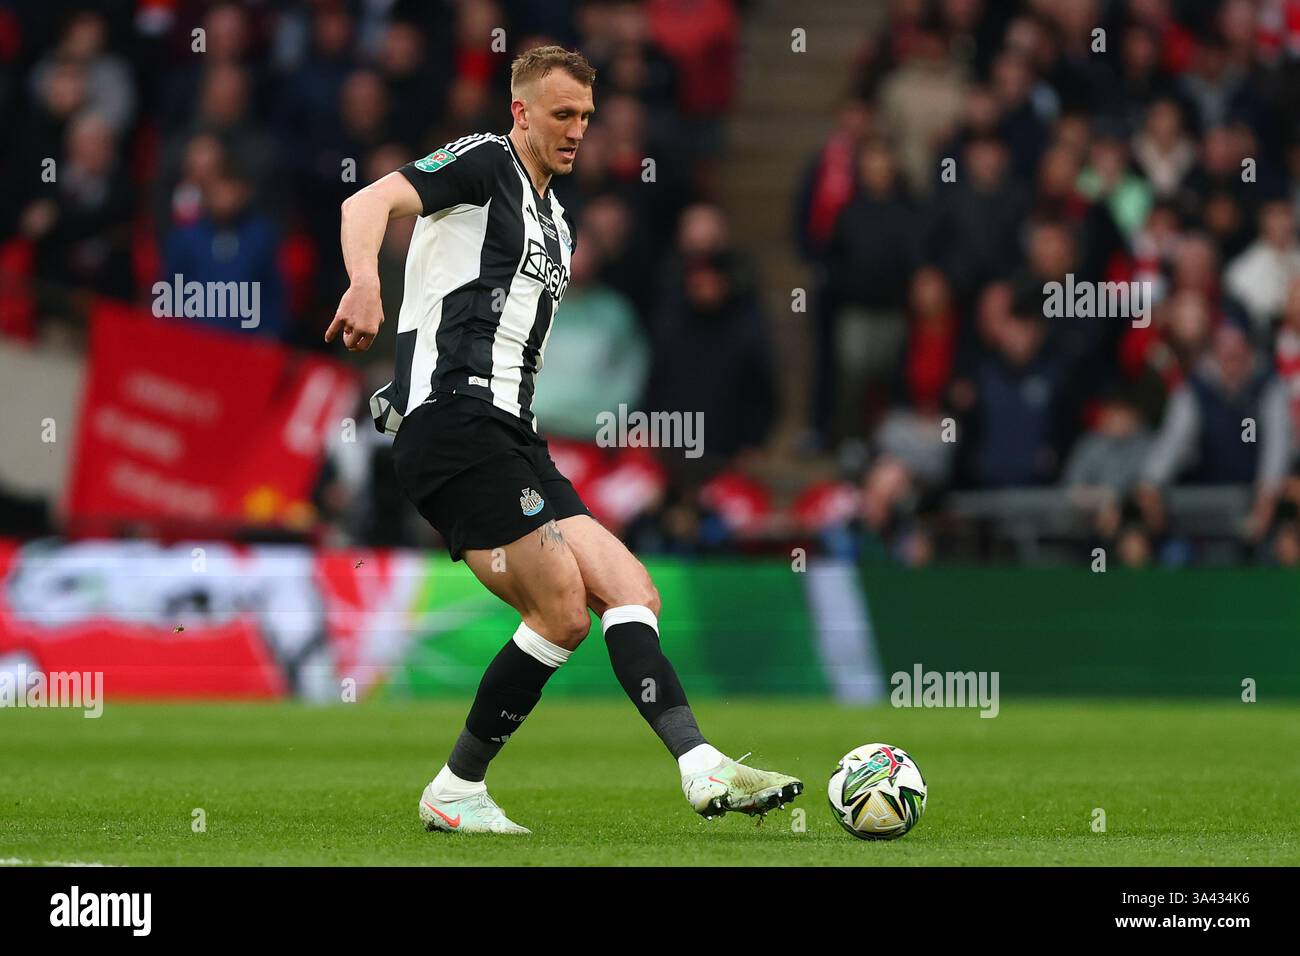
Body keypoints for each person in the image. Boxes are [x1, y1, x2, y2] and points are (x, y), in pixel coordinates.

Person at [326, 45, 801, 834]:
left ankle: (698, 764)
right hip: (453, 421)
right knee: (561, 610)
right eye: (561, 114)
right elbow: (365, 205)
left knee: (631, 591)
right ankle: (459, 790)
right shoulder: (482, 163)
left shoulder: (558, 223)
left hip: (511, 435)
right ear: (520, 112)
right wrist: (367, 281)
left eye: (585, 115)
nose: (578, 130)